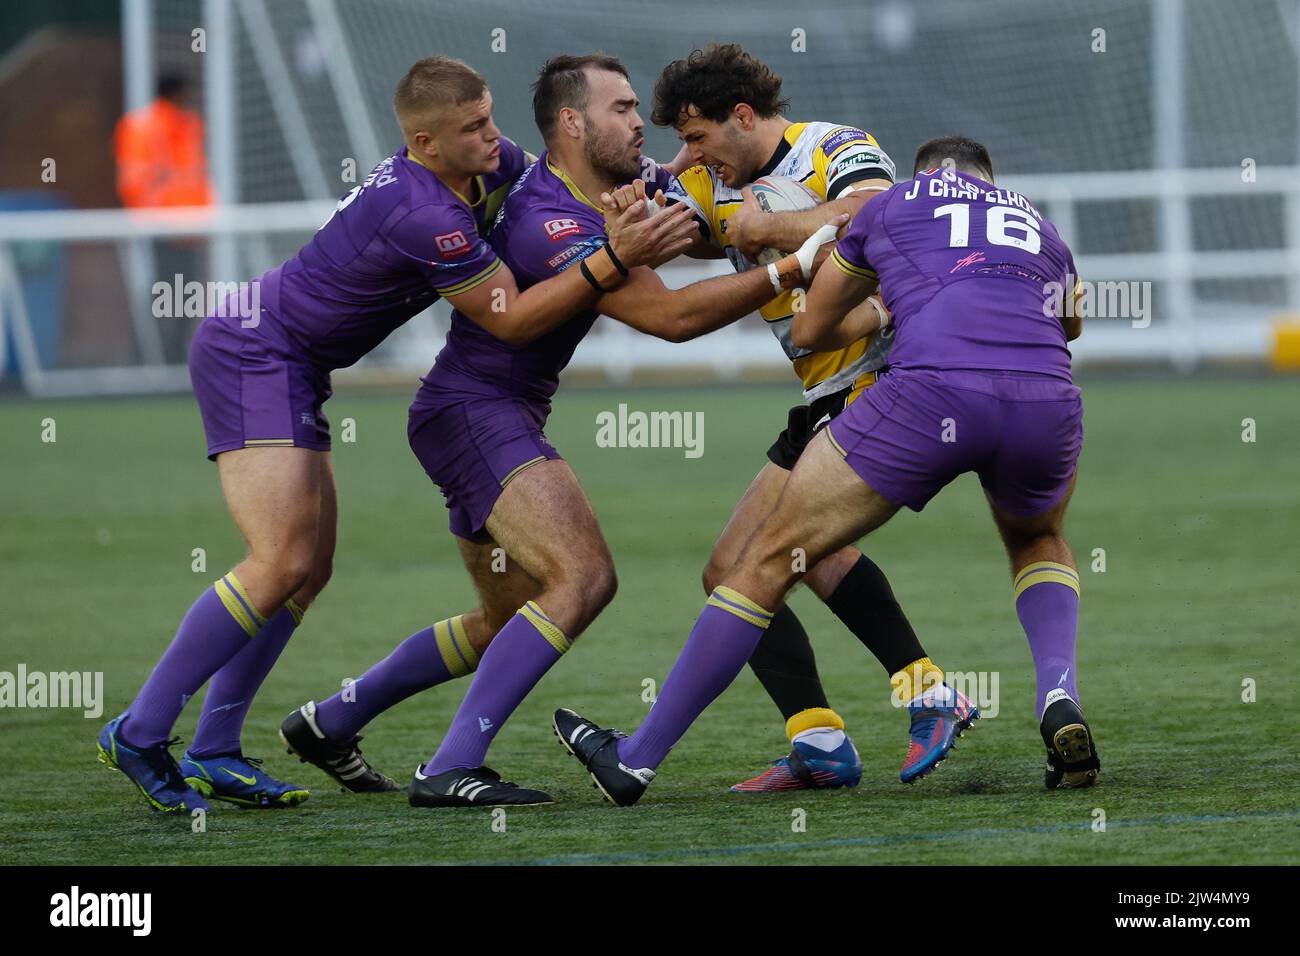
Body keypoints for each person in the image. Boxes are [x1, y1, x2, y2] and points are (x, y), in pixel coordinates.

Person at [96, 55, 695, 814]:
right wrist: (614, 257)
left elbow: (566, 179)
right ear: (422, 143)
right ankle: (142, 730)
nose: (493, 138)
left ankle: (214, 746)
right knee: (279, 560)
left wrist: (668, 172)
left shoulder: (485, 161)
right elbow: (510, 317)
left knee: (308, 569)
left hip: (298, 361)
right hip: (256, 351)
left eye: (489, 118)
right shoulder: (426, 216)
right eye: (471, 128)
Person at [285, 53, 841, 808]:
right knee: (584, 579)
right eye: (621, 108)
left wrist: (756, 209)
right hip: (476, 415)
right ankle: (450, 766)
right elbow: (671, 319)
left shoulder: (611, 188)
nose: (640, 120)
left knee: (503, 619)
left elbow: (702, 215)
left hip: (473, 414)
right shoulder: (553, 220)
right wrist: (794, 267)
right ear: (574, 122)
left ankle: (332, 720)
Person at [555, 136, 1099, 805]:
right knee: (1038, 541)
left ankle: (636, 759)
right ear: (989, 180)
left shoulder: (892, 199)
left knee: (762, 562)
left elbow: (811, 326)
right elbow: (1071, 323)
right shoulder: (1037, 224)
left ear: (924, 173)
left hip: (928, 393)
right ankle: (1057, 695)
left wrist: (882, 301)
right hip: (1045, 400)